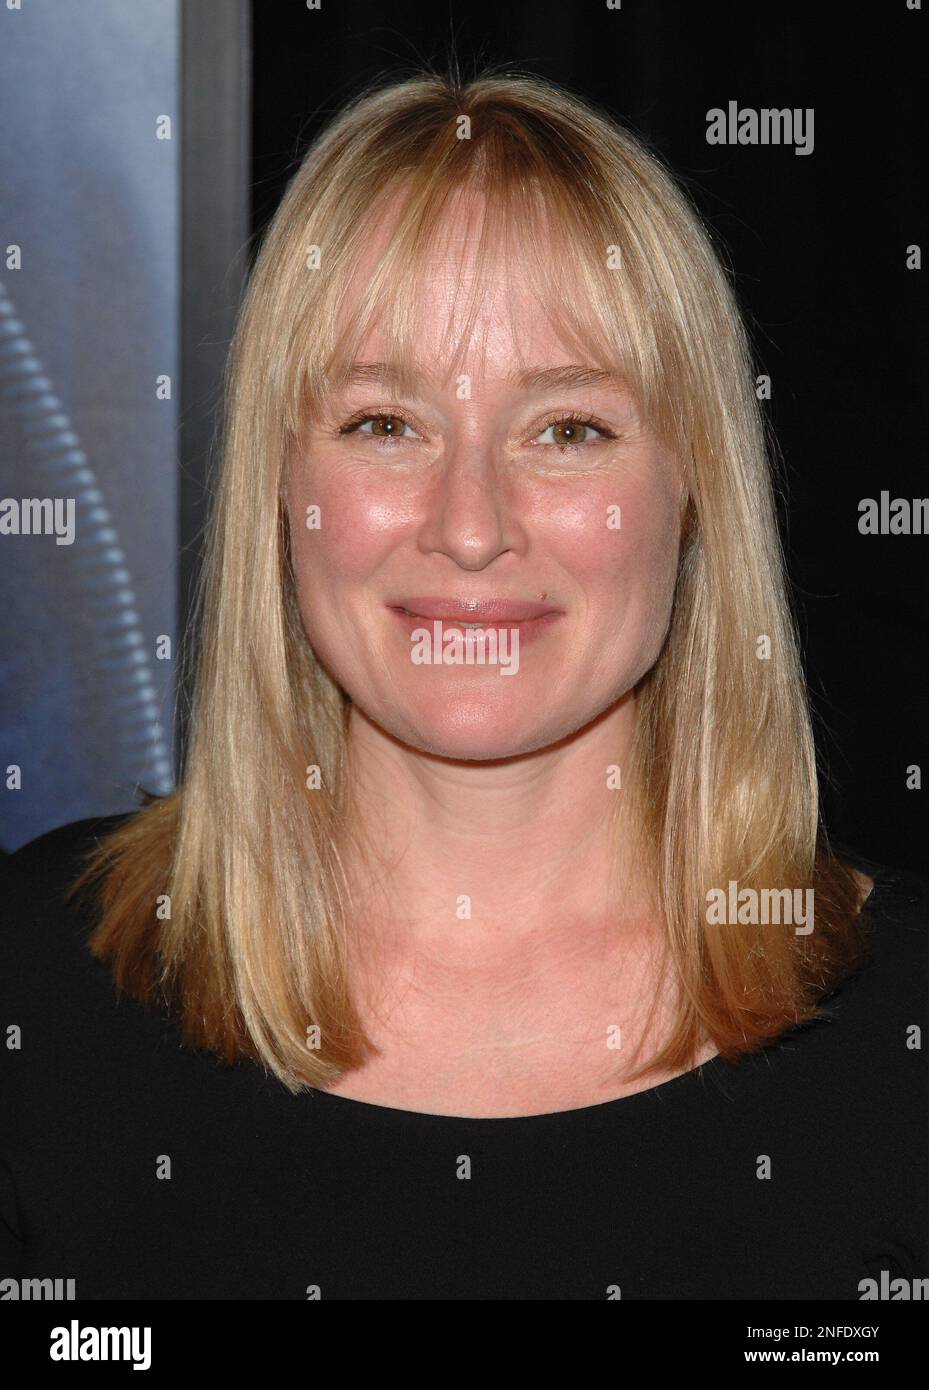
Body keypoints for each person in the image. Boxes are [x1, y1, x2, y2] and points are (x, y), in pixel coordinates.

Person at [2, 68, 927, 1301]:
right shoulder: (35, 992)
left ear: (695, 487)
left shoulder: (900, 1044)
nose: (472, 525)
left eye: (568, 428)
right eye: (387, 422)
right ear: (281, 484)